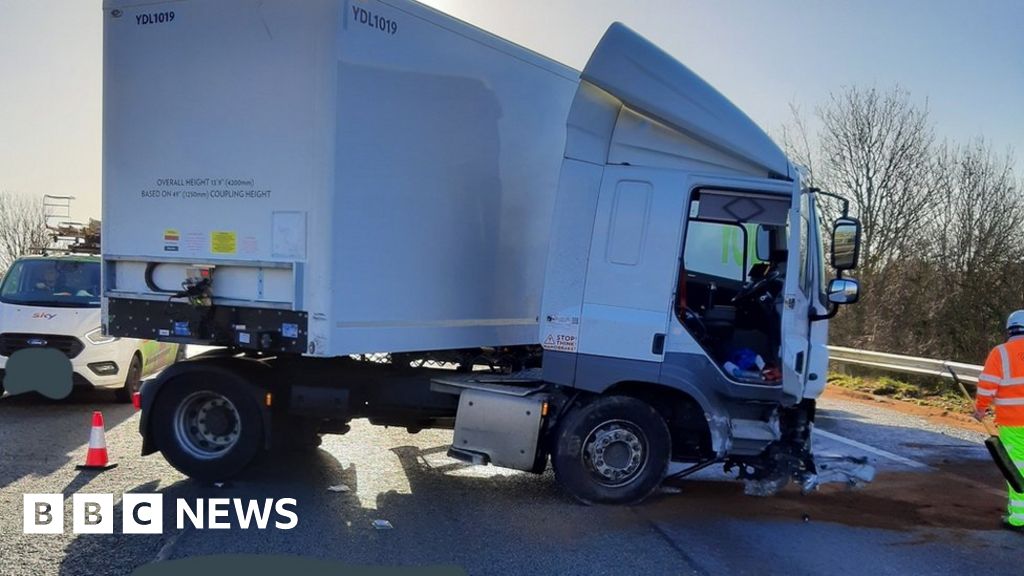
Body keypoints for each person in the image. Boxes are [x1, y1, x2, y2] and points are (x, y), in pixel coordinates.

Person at [975, 309, 1024, 531]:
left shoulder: (1001, 353)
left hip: (1014, 423)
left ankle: (1019, 518)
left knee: (1016, 469)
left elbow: (988, 385)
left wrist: (980, 409)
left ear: (1009, 330)